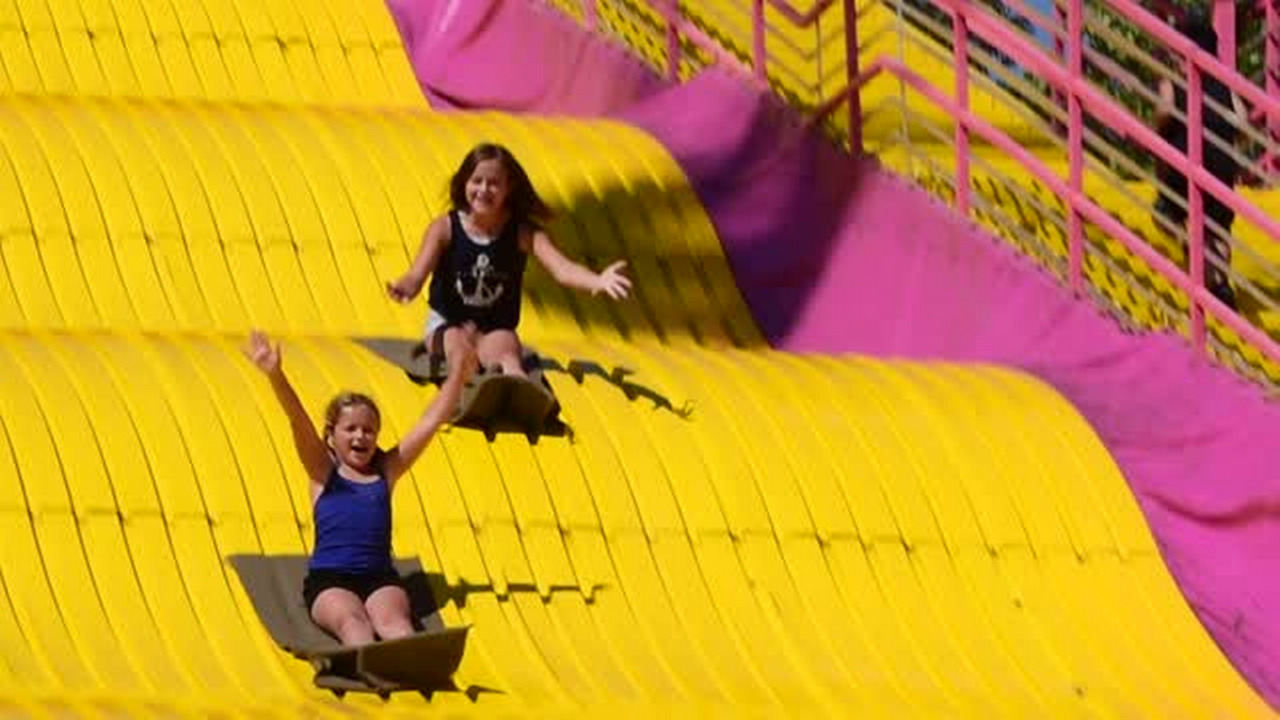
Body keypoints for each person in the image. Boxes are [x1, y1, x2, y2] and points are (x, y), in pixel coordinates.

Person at [242, 328, 477, 646]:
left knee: (394, 623)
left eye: (368, 430)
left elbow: (428, 423)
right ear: (332, 434)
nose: (360, 437)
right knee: (354, 623)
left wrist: (457, 378)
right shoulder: (323, 471)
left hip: (379, 578)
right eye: (350, 429)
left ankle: (406, 660)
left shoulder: (386, 470)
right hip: (330, 581)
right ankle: (367, 658)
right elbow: (298, 420)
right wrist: (275, 375)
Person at [386, 143, 632, 380]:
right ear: (464, 184)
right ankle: (468, 385)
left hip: (494, 328)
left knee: (507, 354)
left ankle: (515, 389)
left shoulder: (523, 233)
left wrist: (597, 281)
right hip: (447, 323)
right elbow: (417, 274)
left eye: (494, 184)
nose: (483, 190)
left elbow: (562, 268)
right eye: (476, 181)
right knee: (458, 349)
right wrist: (405, 287)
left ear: (509, 188)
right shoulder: (444, 228)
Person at [1152, 10, 1247, 310]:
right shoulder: (1223, 85)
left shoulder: (1176, 81)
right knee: (1218, 227)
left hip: (1187, 166)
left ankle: (1171, 213)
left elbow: (1165, 111)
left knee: (1167, 154)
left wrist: (1157, 124)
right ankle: (1220, 286)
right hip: (1222, 168)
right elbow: (1242, 121)